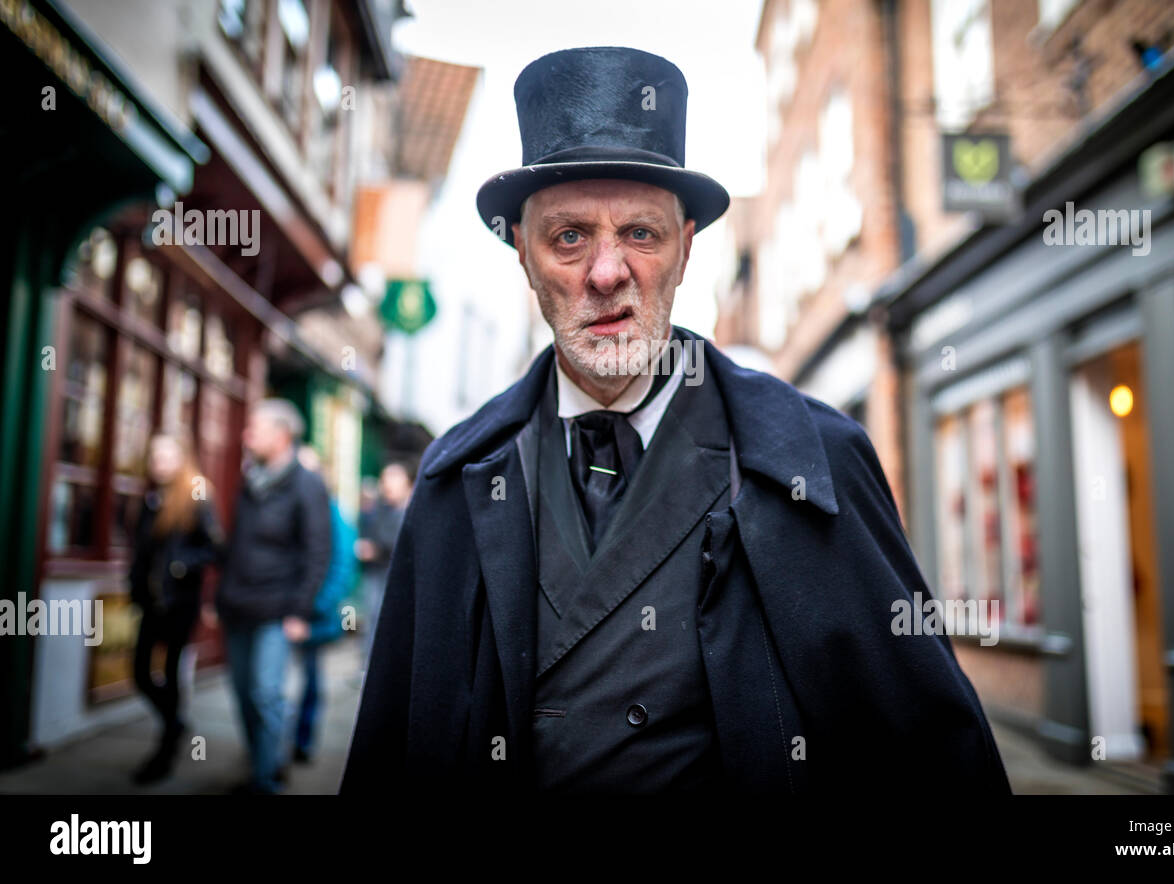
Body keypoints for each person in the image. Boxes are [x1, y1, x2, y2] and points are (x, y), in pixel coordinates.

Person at [341, 47, 1011, 793]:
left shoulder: (810, 461)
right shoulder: (454, 482)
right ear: (524, 258)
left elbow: (933, 756)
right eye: (568, 237)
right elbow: (393, 755)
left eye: (640, 234)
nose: (606, 273)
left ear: (686, 250)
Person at [218, 399, 331, 794]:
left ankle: (267, 781)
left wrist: (300, 611)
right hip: (238, 606)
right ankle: (266, 760)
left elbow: (318, 553)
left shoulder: (308, 484)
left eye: (255, 429)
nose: (246, 436)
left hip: (278, 610)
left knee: (266, 693)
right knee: (243, 695)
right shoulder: (250, 480)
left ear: (281, 436)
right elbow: (237, 546)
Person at [128, 430, 224, 784]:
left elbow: (216, 547)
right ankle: (176, 724)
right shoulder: (152, 496)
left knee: (170, 674)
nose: (159, 463)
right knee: (140, 672)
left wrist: (182, 564)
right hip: (152, 602)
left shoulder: (197, 492)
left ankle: (165, 751)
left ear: (182, 458)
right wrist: (134, 585)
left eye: (167, 456)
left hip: (180, 602)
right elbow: (142, 550)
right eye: (154, 457)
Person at [290, 445, 358, 764]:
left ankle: (301, 740)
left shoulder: (333, 513)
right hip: (282, 609)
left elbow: (343, 566)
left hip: (312, 613)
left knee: (309, 679)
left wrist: (316, 604)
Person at [354, 462, 411, 673]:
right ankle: (369, 667)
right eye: (386, 478)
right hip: (375, 573)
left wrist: (376, 549)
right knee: (371, 620)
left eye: (394, 478)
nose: (388, 484)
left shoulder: (411, 510)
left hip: (397, 576)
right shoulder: (378, 509)